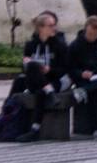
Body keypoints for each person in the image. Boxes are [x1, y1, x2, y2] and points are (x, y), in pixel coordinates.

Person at [10, 11, 70, 142]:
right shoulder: (30, 45)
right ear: (41, 28)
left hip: (55, 79)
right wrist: (26, 64)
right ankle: (49, 92)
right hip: (37, 80)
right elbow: (25, 71)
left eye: (54, 25)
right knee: (31, 65)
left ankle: (35, 130)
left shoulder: (60, 45)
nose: (54, 28)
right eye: (50, 25)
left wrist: (49, 70)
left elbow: (65, 69)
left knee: (40, 92)